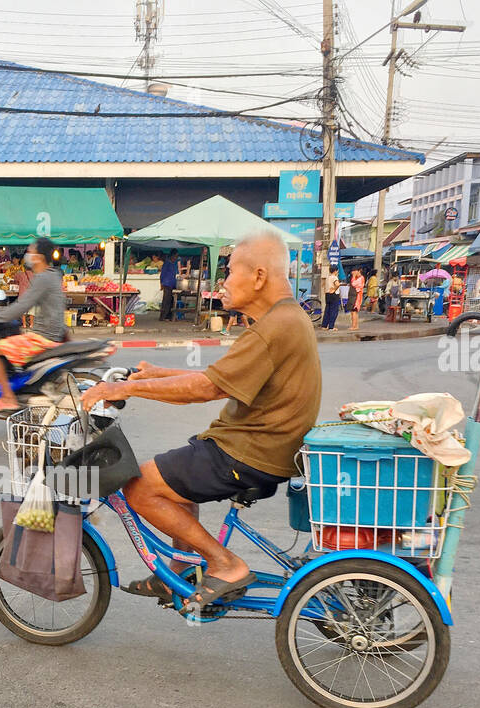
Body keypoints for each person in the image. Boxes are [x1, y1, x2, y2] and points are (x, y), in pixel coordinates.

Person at [79, 231, 320, 609]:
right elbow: (222, 376)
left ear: (258, 276)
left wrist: (123, 390)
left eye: (229, 272)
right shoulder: (284, 318)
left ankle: (225, 564)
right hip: (254, 448)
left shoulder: (275, 327)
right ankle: (181, 568)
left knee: (140, 487)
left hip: (248, 454)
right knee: (171, 477)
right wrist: (155, 374)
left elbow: (206, 388)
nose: (222, 282)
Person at [0, 237, 66, 413]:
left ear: (39, 257)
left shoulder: (43, 278)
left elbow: (21, 306)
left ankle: (7, 397)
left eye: (31, 251)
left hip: (41, 338)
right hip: (52, 334)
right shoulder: (53, 275)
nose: (27, 255)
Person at [159, 252, 180, 322]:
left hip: (172, 285)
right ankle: (163, 317)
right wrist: (161, 284)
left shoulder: (174, 264)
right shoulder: (167, 263)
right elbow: (162, 274)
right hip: (166, 284)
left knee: (171, 301)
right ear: (172, 256)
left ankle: (170, 316)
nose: (176, 258)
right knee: (166, 301)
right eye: (175, 256)